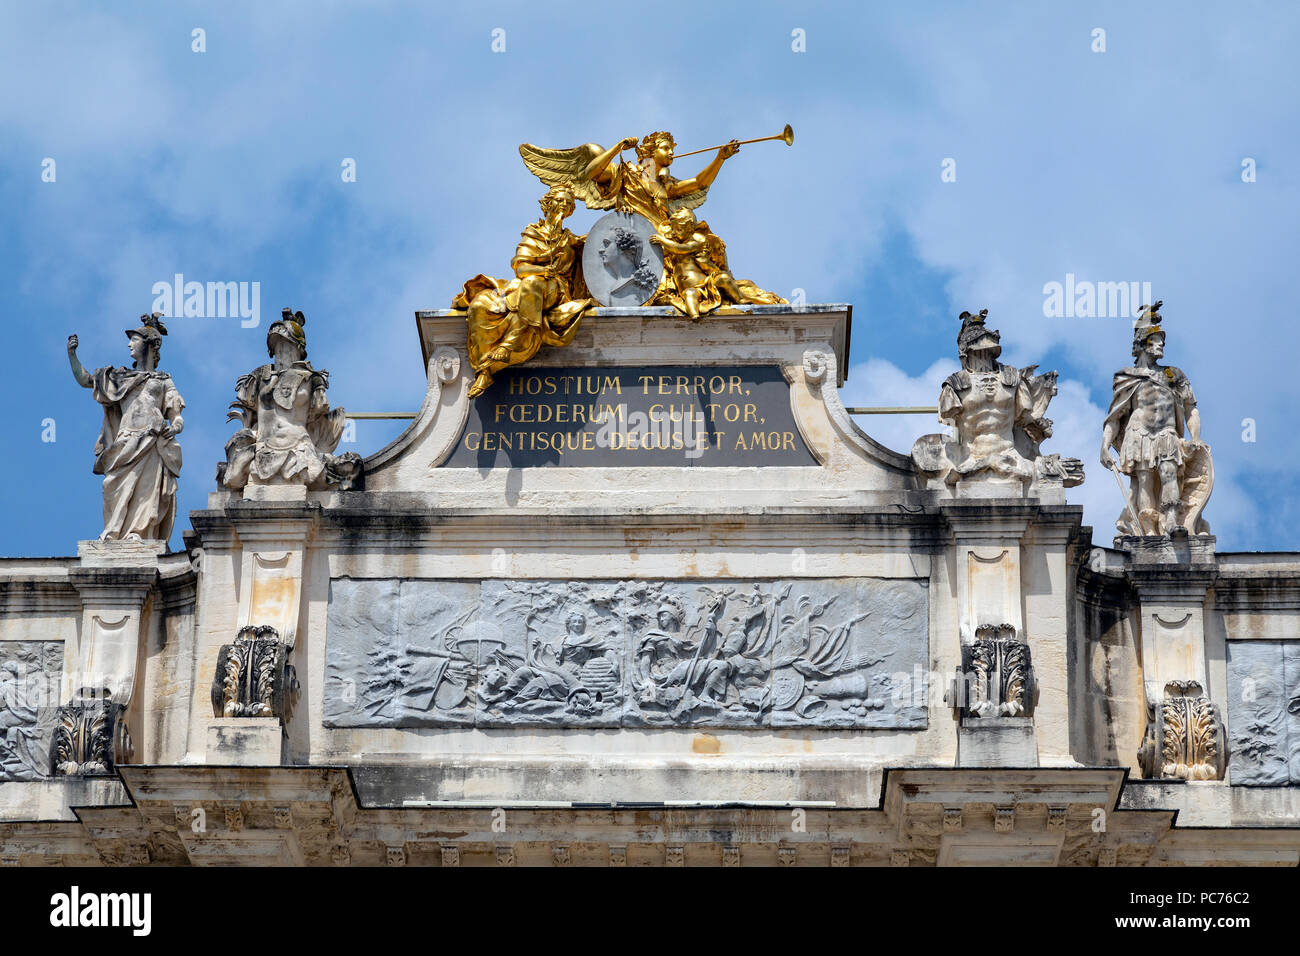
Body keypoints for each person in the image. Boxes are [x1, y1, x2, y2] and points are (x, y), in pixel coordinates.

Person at [453, 183, 594, 397]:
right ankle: (484, 365)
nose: (564, 205)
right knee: (481, 303)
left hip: (556, 289)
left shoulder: (569, 240)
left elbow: (599, 240)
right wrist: (544, 268)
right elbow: (521, 268)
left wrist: (621, 217)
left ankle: (506, 347)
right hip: (530, 285)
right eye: (560, 200)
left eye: (569, 203)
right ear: (548, 204)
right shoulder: (532, 233)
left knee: (531, 285)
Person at [67, 313, 184, 541]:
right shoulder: (120, 377)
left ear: (150, 344)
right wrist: (72, 355)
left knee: (146, 491)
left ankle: (137, 533)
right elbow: (85, 380)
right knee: (113, 485)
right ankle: (114, 531)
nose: (130, 344)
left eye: (135, 339)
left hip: (153, 440)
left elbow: (176, 414)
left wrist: (176, 427)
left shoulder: (162, 380)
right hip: (126, 441)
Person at [1100, 303, 1212, 535]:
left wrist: (1196, 437)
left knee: (1170, 474)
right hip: (1138, 433)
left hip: (1167, 433)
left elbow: (1191, 409)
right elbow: (1115, 416)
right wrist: (1104, 447)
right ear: (1142, 343)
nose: (1161, 345)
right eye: (1156, 340)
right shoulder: (1126, 377)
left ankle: (1172, 523)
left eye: (1162, 341)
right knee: (1144, 482)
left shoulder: (1173, 375)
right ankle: (1148, 528)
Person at [221, 309, 349, 491]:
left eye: (286, 344)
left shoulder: (313, 380)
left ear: (299, 348)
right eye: (277, 345)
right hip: (261, 449)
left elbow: (320, 409)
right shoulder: (258, 378)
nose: (281, 350)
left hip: (298, 449)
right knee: (234, 477)